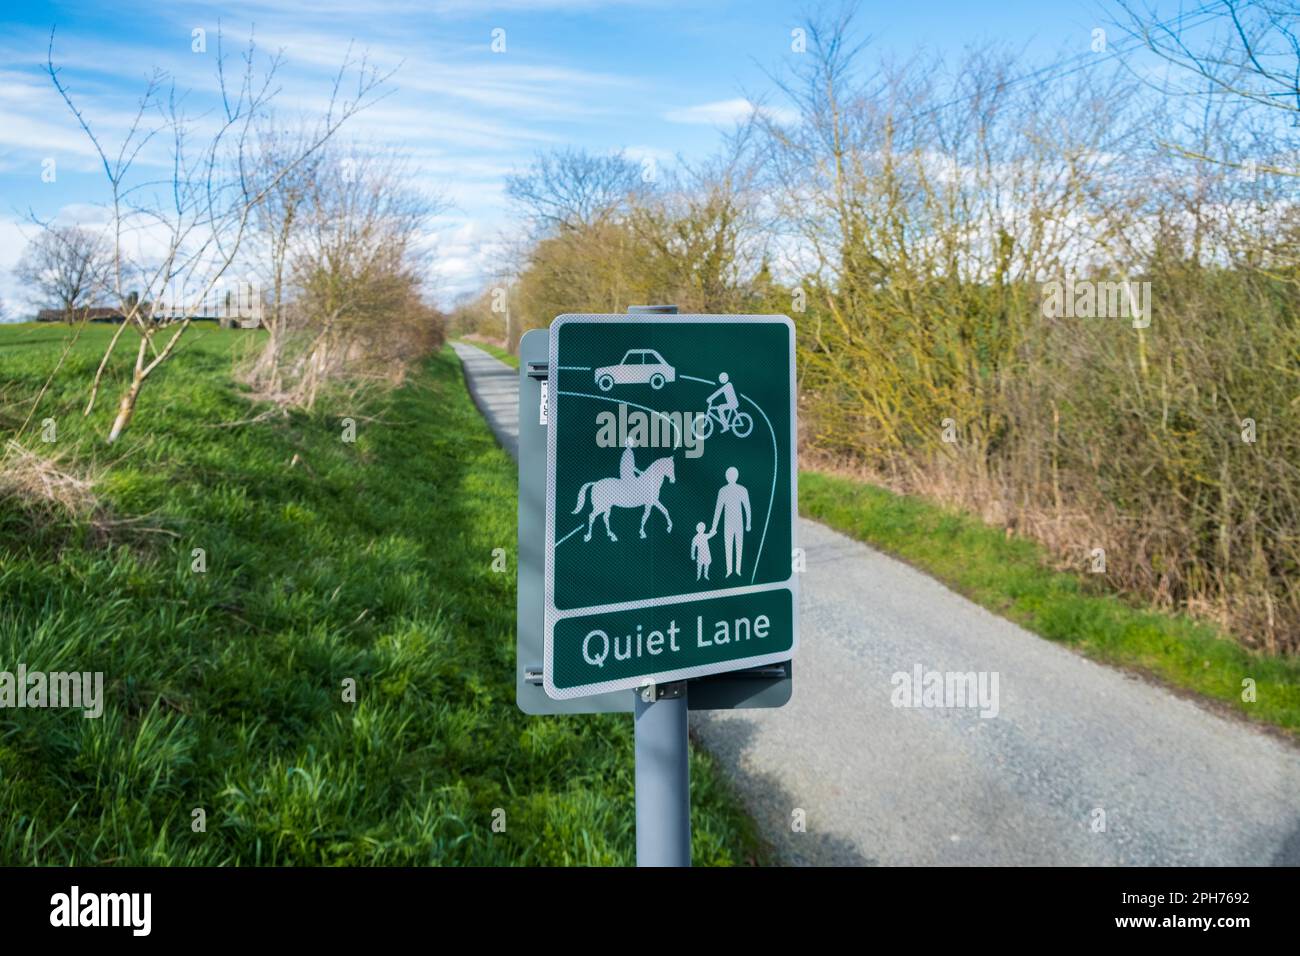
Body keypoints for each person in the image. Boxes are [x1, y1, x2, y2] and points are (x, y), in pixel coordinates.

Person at [710, 466, 751, 577]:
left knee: (739, 545)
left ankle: (738, 569)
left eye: (733, 475)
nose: (731, 477)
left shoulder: (742, 490)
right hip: (727, 523)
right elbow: (718, 510)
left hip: (739, 523)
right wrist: (714, 527)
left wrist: (748, 523)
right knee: (728, 545)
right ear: (726, 476)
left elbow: (747, 507)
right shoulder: (722, 491)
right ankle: (729, 570)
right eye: (729, 475)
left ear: (736, 476)